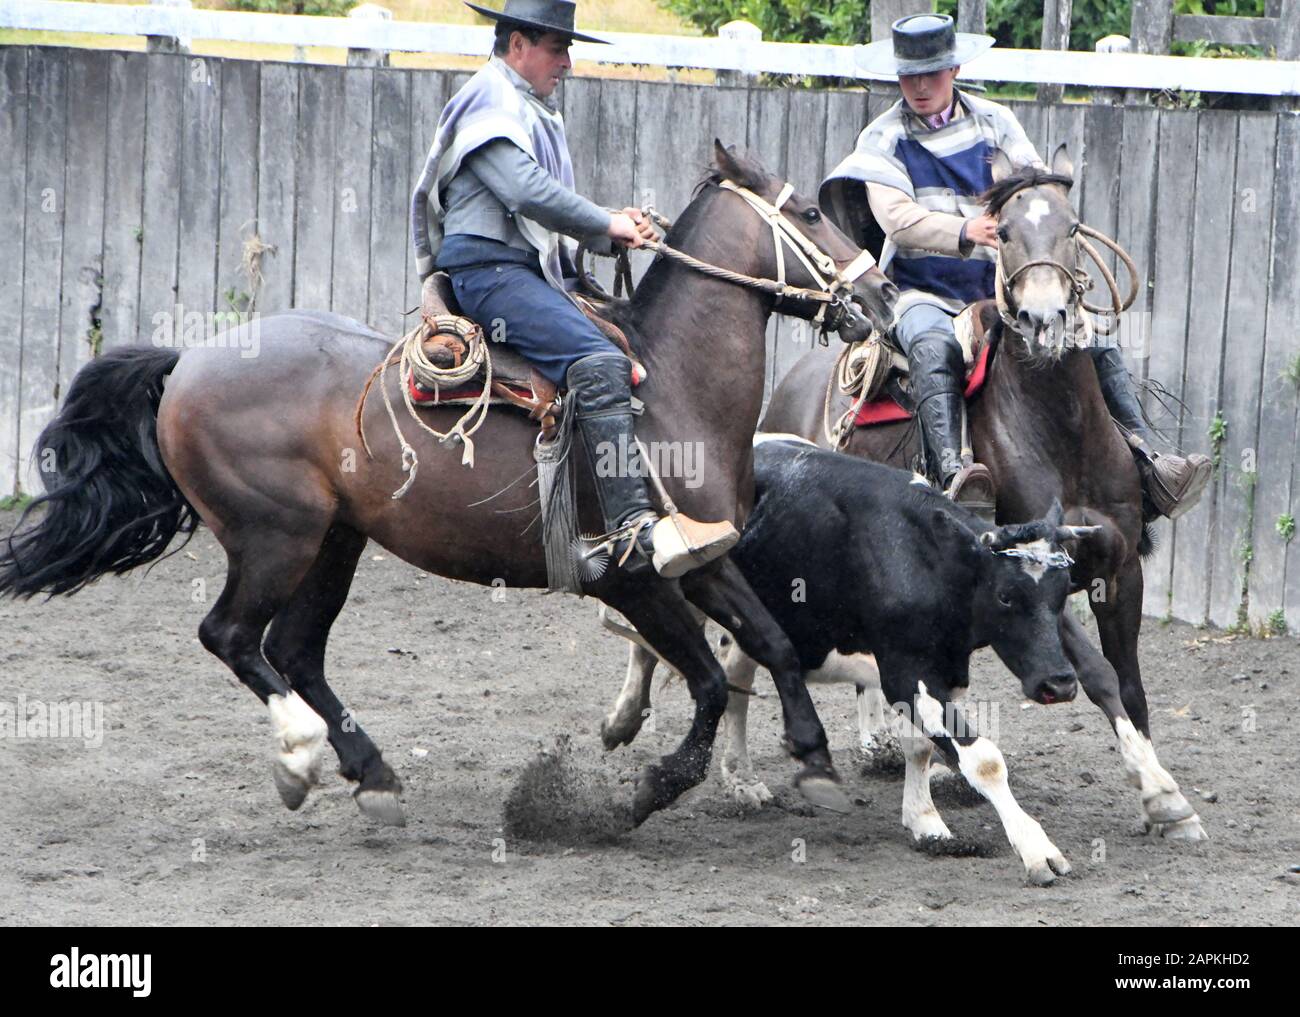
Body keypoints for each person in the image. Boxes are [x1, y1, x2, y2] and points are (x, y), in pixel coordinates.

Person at [820, 13, 1210, 521]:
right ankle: (952, 472)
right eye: (909, 75)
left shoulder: (995, 121)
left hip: (1002, 284)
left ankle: (1147, 461)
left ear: (954, 70)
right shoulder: (883, 139)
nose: (919, 86)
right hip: (919, 289)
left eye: (931, 73)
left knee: (1091, 329)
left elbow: (1032, 188)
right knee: (932, 344)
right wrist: (964, 231)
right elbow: (895, 218)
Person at [410, 0, 738, 577]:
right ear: (517, 45)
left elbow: (539, 218)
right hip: (491, 274)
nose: (566, 62)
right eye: (557, 48)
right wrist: (605, 221)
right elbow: (527, 193)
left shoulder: (521, 105)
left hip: (514, 270)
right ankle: (631, 530)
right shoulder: (492, 98)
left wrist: (613, 231)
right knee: (601, 361)